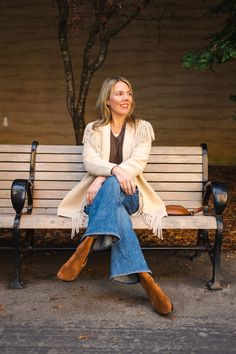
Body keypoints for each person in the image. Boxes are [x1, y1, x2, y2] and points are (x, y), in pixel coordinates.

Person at [57, 76, 173, 316]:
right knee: (117, 213)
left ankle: (88, 244)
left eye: (128, 93)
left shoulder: (142, 127)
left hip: (130, 195)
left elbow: (137, 163)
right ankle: (145, 277)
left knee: (112, 187)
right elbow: (90, 160)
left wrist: (105, 176)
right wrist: (112, 171)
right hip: (98, 201)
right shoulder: (94, 129)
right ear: (107, 100)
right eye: (119, 94)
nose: (126, 98)